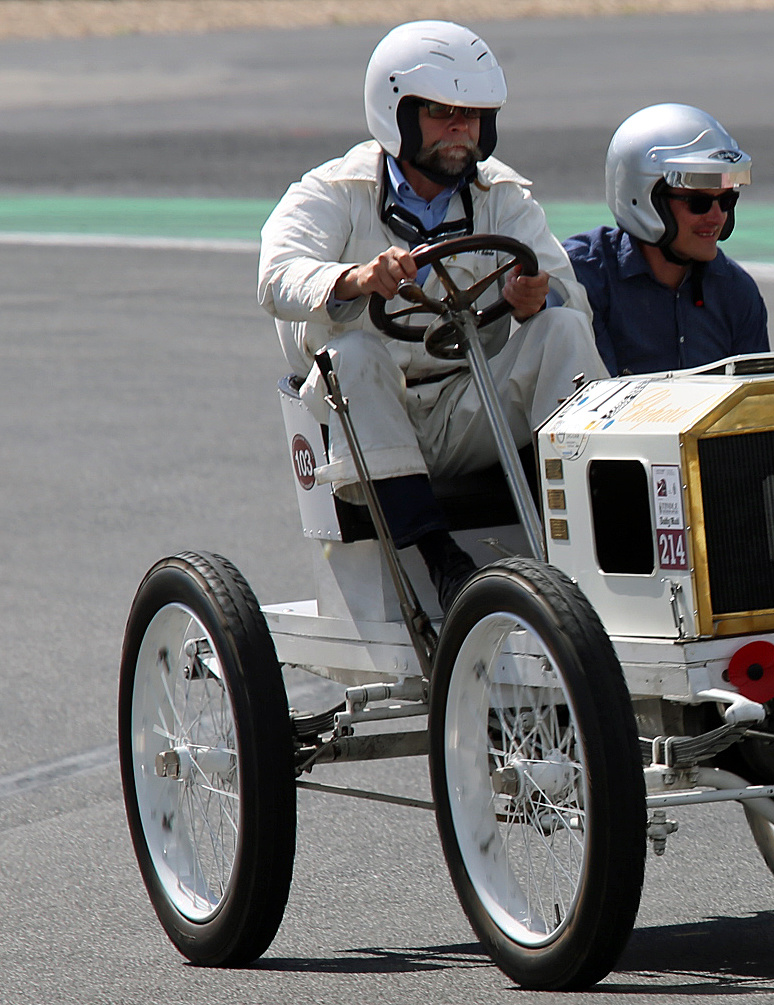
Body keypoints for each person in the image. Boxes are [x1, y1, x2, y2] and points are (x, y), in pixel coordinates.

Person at [259, 21, 605, 608]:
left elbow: (569, 294)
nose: (459, 130)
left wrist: (537, 296)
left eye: (470, 116)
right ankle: (442, 564)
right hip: (363, 416)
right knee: (352, 354)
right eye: (442, 113)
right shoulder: (334, 190)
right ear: (396, 112)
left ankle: (589, 551)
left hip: (470, 406)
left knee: (564, 328)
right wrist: (358, 277)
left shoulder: (503, 197)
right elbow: (276, 276)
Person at [563, 104, 769, 376]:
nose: (717, 217)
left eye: (728, 200)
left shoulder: (736, 292)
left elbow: (753, 400)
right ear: (643, 198)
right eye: (698, 203)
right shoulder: (584, 277)